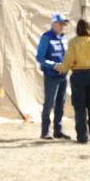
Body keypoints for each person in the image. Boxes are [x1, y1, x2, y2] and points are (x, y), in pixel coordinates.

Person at [56, 19, 90, 144]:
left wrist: (61, 68)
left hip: (78, 76)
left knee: (80, 108)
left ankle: (82, 137)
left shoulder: (74, 42)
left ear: (77, 29)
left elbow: (69, 61)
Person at [35, 12, 71, 140]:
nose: (62, 26)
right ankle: (45, 131)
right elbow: (40, 57)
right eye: (60, 24)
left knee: (61, 103)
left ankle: (58, 131)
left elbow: (66, 55)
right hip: (51, 75)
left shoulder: (64, 38)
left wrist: (66, 65)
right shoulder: (47, 37)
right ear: (53, 24)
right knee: (49, 103)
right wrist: (54, 65)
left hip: (63, 75)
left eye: (64, 24)